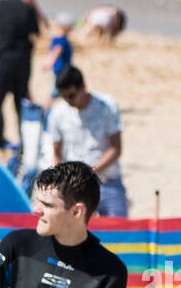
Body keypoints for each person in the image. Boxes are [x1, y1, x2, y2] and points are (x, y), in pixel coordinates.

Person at [48, 65, 128, 216]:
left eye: (71, 96)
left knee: (119, 235)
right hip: (74, 189)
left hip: (108, 182)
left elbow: (116, 148)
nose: (68, 101)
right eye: (63, 96)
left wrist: (90, 173)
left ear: (83, 87)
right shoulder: (58, 112)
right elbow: (57, 153)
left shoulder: (107, 106)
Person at [0, 0, 40, 150]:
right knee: (19, 105)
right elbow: (35, 34)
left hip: (3, 59)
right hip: (23, 61)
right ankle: (24, 144)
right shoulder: (27, 8)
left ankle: (0, 142)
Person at [45, 13, 75, 95]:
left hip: (59, 69)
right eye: (71, 26)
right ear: (65, 27)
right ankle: (46, 107)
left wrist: (49, 62)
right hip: (62, 70)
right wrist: (50, 63)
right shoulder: (62, 39)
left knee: (58, 90)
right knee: (57, 91)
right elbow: (57, 52)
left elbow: (52, 52)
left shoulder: (56, 38)